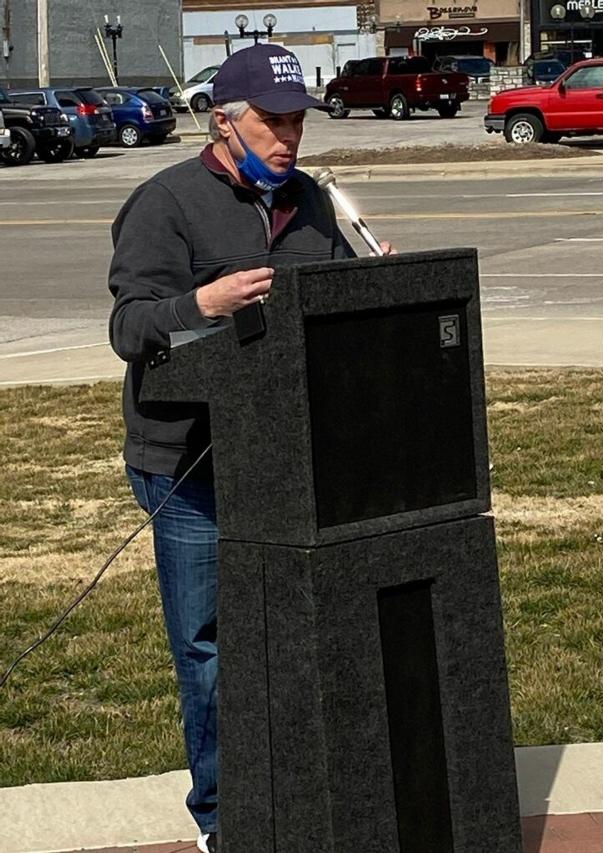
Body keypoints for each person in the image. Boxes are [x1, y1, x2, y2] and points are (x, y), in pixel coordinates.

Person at [108, 44, 394, 853]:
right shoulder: (164, 203)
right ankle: (225, 819)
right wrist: (202, 301)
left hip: (290, 457)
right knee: (211, 646)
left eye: (298, 121)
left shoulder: (309, 203)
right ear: (223, 121)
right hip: (190, 465)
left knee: (300, 632)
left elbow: (330, 308)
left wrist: (381, 289)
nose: (289, 138)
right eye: (273, 121)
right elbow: (129, 329)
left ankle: (301, 789)